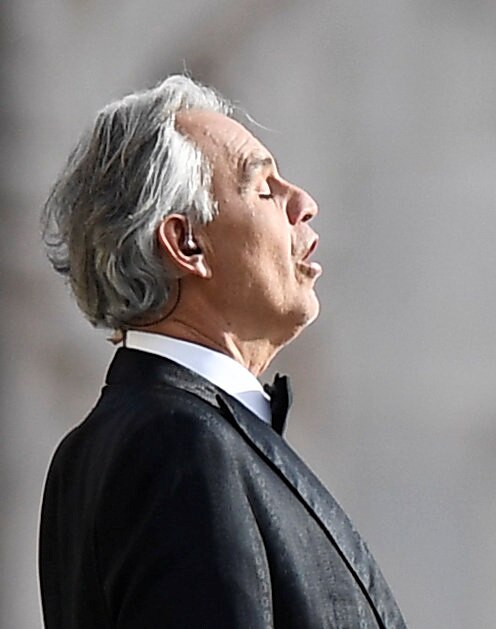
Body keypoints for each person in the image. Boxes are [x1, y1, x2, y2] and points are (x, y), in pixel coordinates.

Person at [38, 75, 406, 628]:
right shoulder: (177, 444)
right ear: (187, 243)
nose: (303, 203)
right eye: (263, 188)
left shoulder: (141, 438)